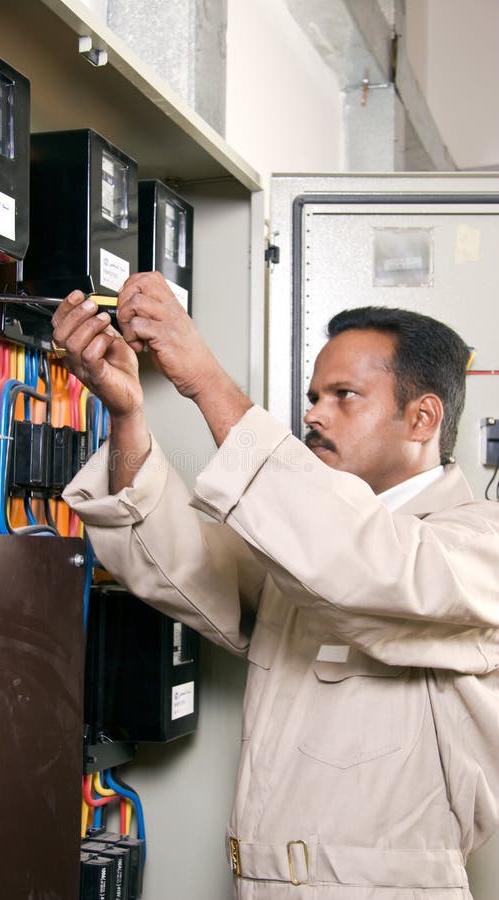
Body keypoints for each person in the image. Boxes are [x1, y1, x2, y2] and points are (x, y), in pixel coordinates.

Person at [53, 271, 499, 899]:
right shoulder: (306, 547)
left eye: (344, 395)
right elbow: (184, 568)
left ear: (422, 418)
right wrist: (128, 417)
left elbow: (370, 567)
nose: (313, 415)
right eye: (314, 395)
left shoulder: (477, 545)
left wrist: (205, 381)